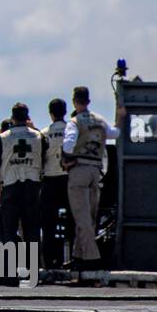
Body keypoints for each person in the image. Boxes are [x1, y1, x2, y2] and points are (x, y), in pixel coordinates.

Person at [61, 85, 121, 272]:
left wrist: (66, 158)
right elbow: (115, 133)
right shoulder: (100, 121)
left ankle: (92, 258)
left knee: (82, 217)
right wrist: (120, 117)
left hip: (79, 169)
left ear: (74, 101)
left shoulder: (74, 122)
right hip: (96, 170)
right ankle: (79, 256)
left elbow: (68, 145)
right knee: (91, 216)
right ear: (88, 101)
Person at [0, 103, 44, 285]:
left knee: (8, 232)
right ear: (27, 118)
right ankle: (34, 272)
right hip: (32, 187)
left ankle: (8, 274)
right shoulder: (38, 136)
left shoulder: (4, 137)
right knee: (32, 231)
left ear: (12, 118)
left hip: (10, 187)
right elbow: (47, 154)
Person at [39, 97, 74, 269]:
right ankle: (73, 258)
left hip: (50, 180)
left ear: (51, 114)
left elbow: (40, 158)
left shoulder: (44, 133)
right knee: (72, 221)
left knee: (48, 224)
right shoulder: (72, 131)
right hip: (68, 178)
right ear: (65, 112)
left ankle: (49, 261)